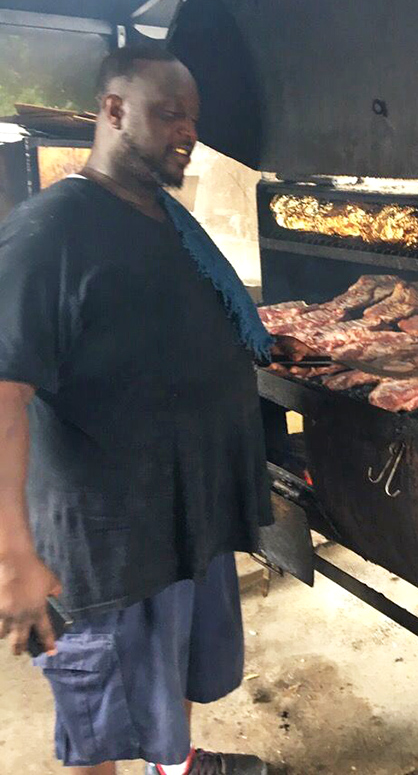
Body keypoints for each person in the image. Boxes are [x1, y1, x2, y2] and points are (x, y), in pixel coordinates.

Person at [0, 46, 279, 775]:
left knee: (171, 681)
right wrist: (14, 556)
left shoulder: (163, 219)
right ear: (113, 110)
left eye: (191, 117)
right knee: (103, 723)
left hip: (183, 521)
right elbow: (2, 397)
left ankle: (175, 767)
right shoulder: (49, 232)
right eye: (167, 113)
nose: (185, 130)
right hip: (109, 544)